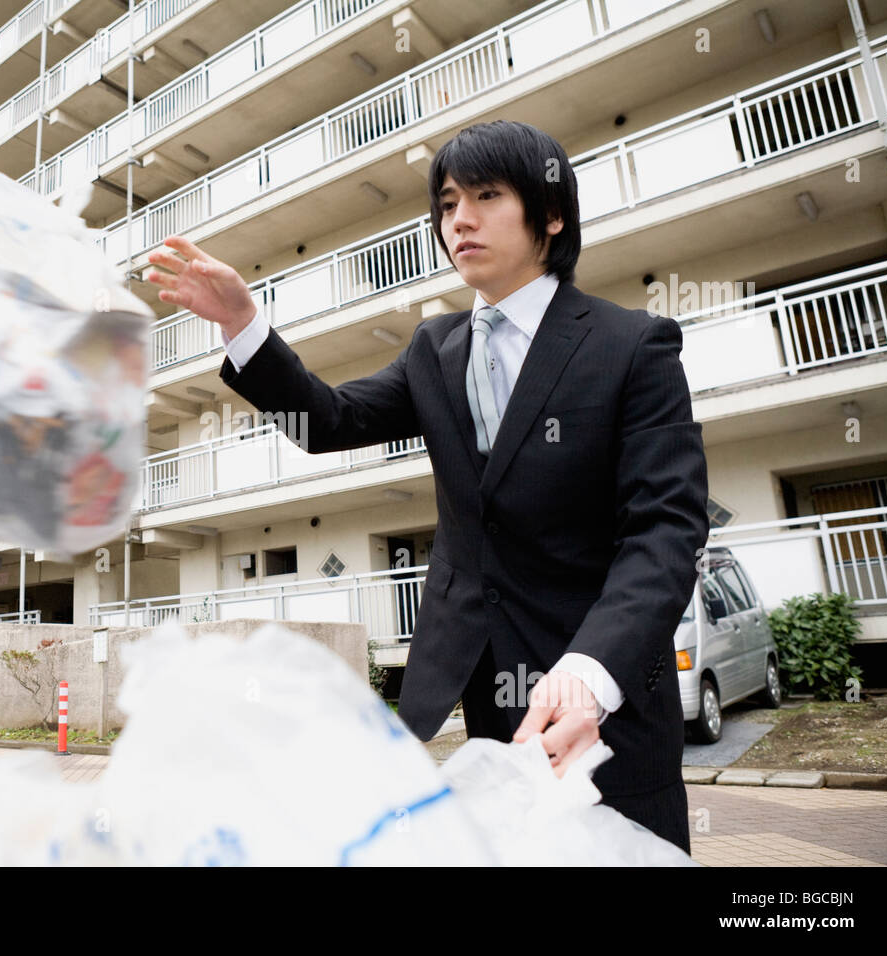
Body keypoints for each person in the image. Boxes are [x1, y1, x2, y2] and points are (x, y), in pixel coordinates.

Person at [144, 120, 708, 854]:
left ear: (551, 214)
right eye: (446, 204)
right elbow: (327, 422)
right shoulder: (433, 349)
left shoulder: (632, 345)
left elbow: (664, 530)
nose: (458, 220)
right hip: (479, 689)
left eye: (486, 196)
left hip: (602, 695)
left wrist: (591, 675)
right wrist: (242, 323)